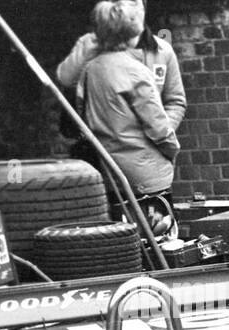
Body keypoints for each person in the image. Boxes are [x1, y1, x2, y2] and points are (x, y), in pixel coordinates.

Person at [80, 1, 180, 203]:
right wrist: (172, 150)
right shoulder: (136, 71)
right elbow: (159, 128)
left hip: (110, 173)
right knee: (159, 233)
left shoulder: (90, 69)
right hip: (147, 178)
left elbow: (83, 117)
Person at [56, 0, 186, 135]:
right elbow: (65, 78)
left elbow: (175, 102)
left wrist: (162, 134)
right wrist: (95, 45)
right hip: (101, 145)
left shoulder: (162, 50)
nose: (126, 6)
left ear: (143, 7)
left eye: (133, 2)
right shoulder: (91, 43)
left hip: (148, 147)